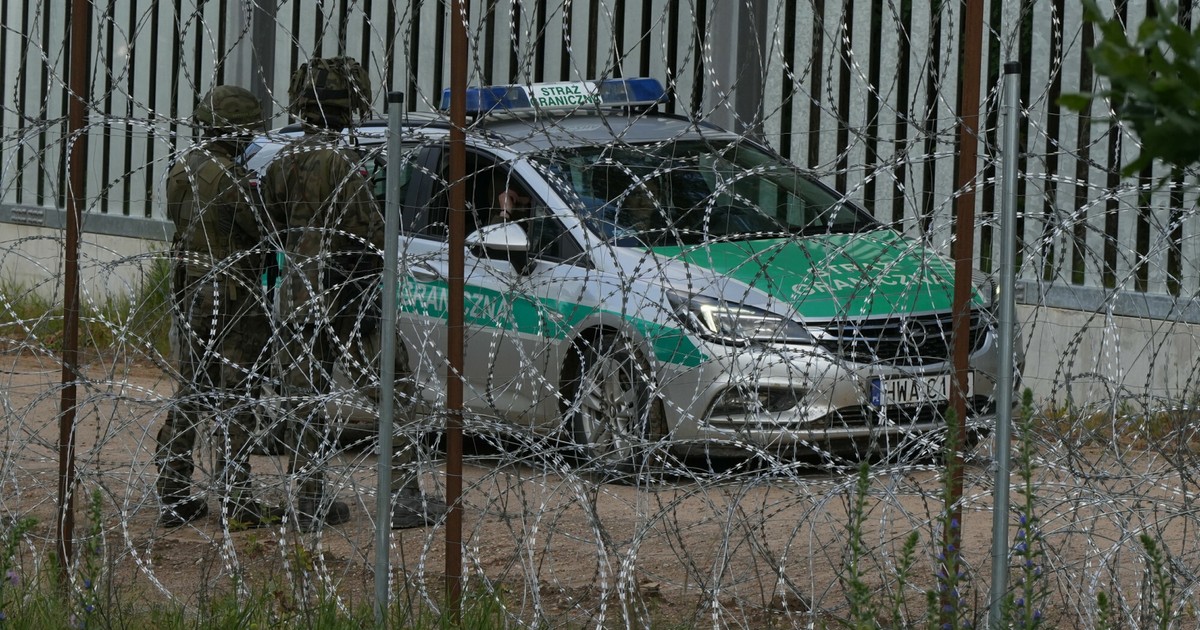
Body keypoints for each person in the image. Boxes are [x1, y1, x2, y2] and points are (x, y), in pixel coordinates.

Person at [262, 56, 447, 530]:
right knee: (395, 392)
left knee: (305, 402)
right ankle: (403, 497)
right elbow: (368, 232)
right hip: (348, 295)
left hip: (299, 295)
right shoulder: (341, 162)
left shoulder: (281, 161)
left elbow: (268, 223)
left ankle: (309, 500)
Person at [156, 85, 281, 529]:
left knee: (192, 392)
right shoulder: (228, 177)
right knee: (237, 396)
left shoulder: (182, 168)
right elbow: (261, 229)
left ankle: (172, 491)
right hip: (232, 297)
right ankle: (237, 498)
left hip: (192, 291)